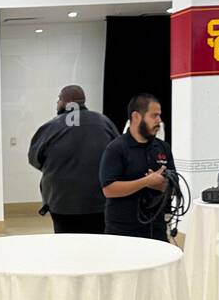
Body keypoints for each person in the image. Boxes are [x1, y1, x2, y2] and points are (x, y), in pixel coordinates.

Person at [27, 84, 118, 234]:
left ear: (64, 101)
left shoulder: (51, 127)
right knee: (99, 244)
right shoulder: (104, 123)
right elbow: (118, 154)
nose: (57, 103)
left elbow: (34, 158)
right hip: (99, 202)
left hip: (62, 203)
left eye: (58, 99)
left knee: (66, 245)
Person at [99, 93, 173, 242]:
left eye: (159, 115)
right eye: (154, 116)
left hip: (156, 228)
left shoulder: (162, 147)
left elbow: (173, 184)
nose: (159, 121)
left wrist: (161, 184)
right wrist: (145, 182)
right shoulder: (116, 148)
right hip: (123, 230)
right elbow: (109, 189)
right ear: (136, 117)